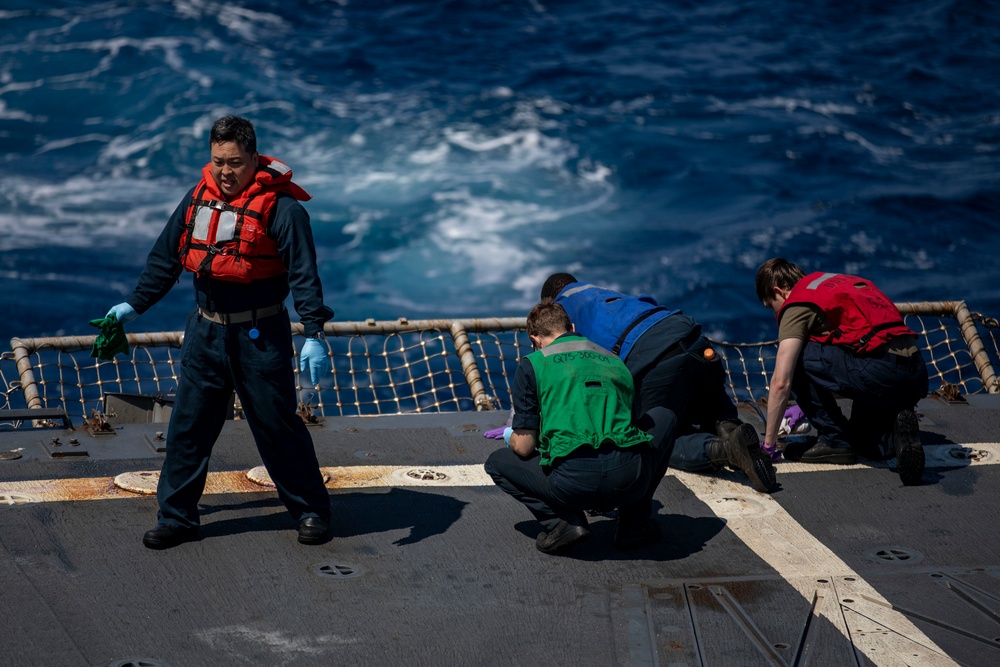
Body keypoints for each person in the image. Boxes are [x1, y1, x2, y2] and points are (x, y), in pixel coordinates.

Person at [106, 115, 334, 549]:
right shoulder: (197, 198)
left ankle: (310, 511)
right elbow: (165, 258)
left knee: (277, 429)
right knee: (187, 429)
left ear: (253, 158)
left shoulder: (284, 210)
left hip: (261, 336)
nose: (225, 172)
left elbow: (305, 277)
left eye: (234, 163)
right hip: (205, 334)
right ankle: (176, 518)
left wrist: (315, 333)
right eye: (217, 162)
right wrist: (134, 305)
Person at [540, 273, 777, 493]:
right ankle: (729, 426)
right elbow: (650, 305)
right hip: (689, 334)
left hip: (652, 357)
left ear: (550, 301)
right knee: (708, 397)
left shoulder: (560, 313)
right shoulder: (602, 292)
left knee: (653, 441)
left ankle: (728, 451)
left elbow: (573, 371)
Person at [484, 300, 679, 554]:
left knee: (496, 463)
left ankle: (564, 523)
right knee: (664, 416)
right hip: (630, 479)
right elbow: (632, 425)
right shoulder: (614, 359)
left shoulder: (533, 363)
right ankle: (635, 523)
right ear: (572, 327)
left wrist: (511, 434)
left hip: (572, 486)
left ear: (535, 339)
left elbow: (524, 447)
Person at [754, 258, 929, 485]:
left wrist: (768, 447)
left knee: (795, 357)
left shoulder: (796, 302)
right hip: (914, 374)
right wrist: (804, 406)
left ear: (779, 291)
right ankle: (891, 437)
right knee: (865, 445)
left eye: (771, 305)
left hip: (878, 373)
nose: (775, 313)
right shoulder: (839, 283)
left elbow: (781, 382)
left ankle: (834, 440)